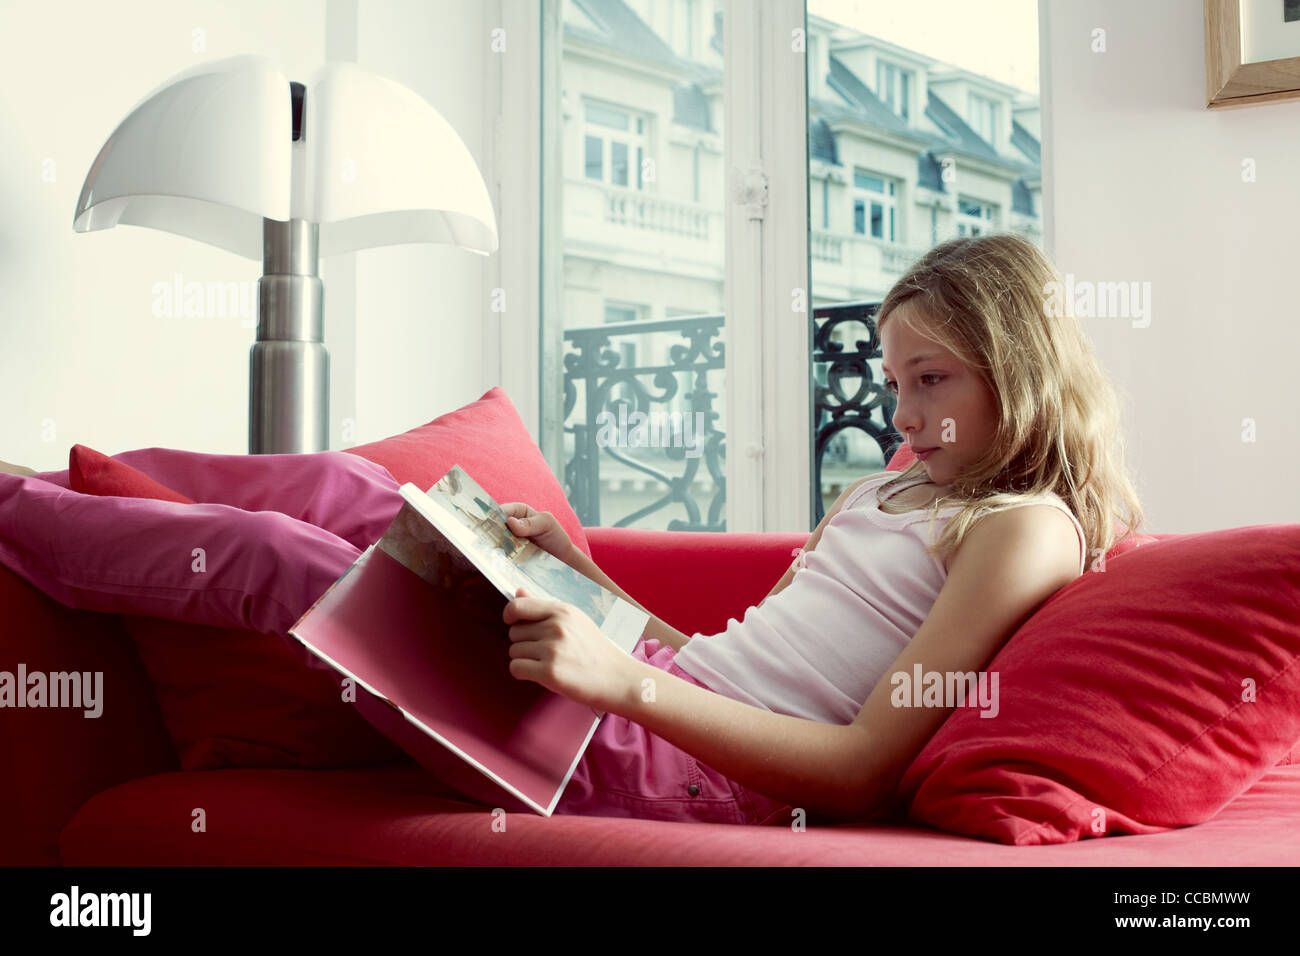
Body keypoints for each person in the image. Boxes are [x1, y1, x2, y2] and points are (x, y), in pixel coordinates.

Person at [499, 233, 1145, 828]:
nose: (903, 417)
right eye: (895, 384)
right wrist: (573, 573)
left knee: (411, 584)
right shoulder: (874, 491)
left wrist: (622, 684)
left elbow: (861, 768)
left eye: (930, 379)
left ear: (1019, 374)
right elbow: (708, 664)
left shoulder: (1023, 528)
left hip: (706, 768)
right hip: (668, 701)